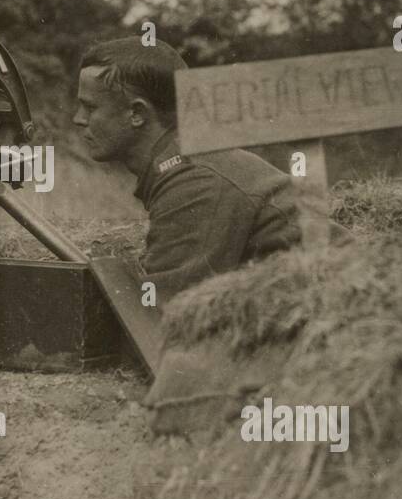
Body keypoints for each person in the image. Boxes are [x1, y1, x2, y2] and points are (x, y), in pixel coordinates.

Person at [73, 37, 301, 306]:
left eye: (90, 107)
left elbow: (162, 312)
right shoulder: (185, 162)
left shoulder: (195, 182)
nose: (78, 119)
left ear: (136, 113)